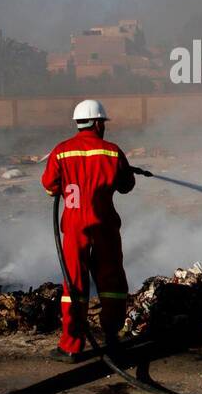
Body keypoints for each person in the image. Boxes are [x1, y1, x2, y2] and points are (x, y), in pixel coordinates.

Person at [40, 99, 136, 363]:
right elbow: (127, 185)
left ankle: (71, 346)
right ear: (97, 123)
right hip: (104, 225)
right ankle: (113, 339)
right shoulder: (112, 152)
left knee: (74, 285)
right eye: (103, 123)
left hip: (74, 227)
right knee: (112, 282)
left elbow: (49, 186)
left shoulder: (61, 152)